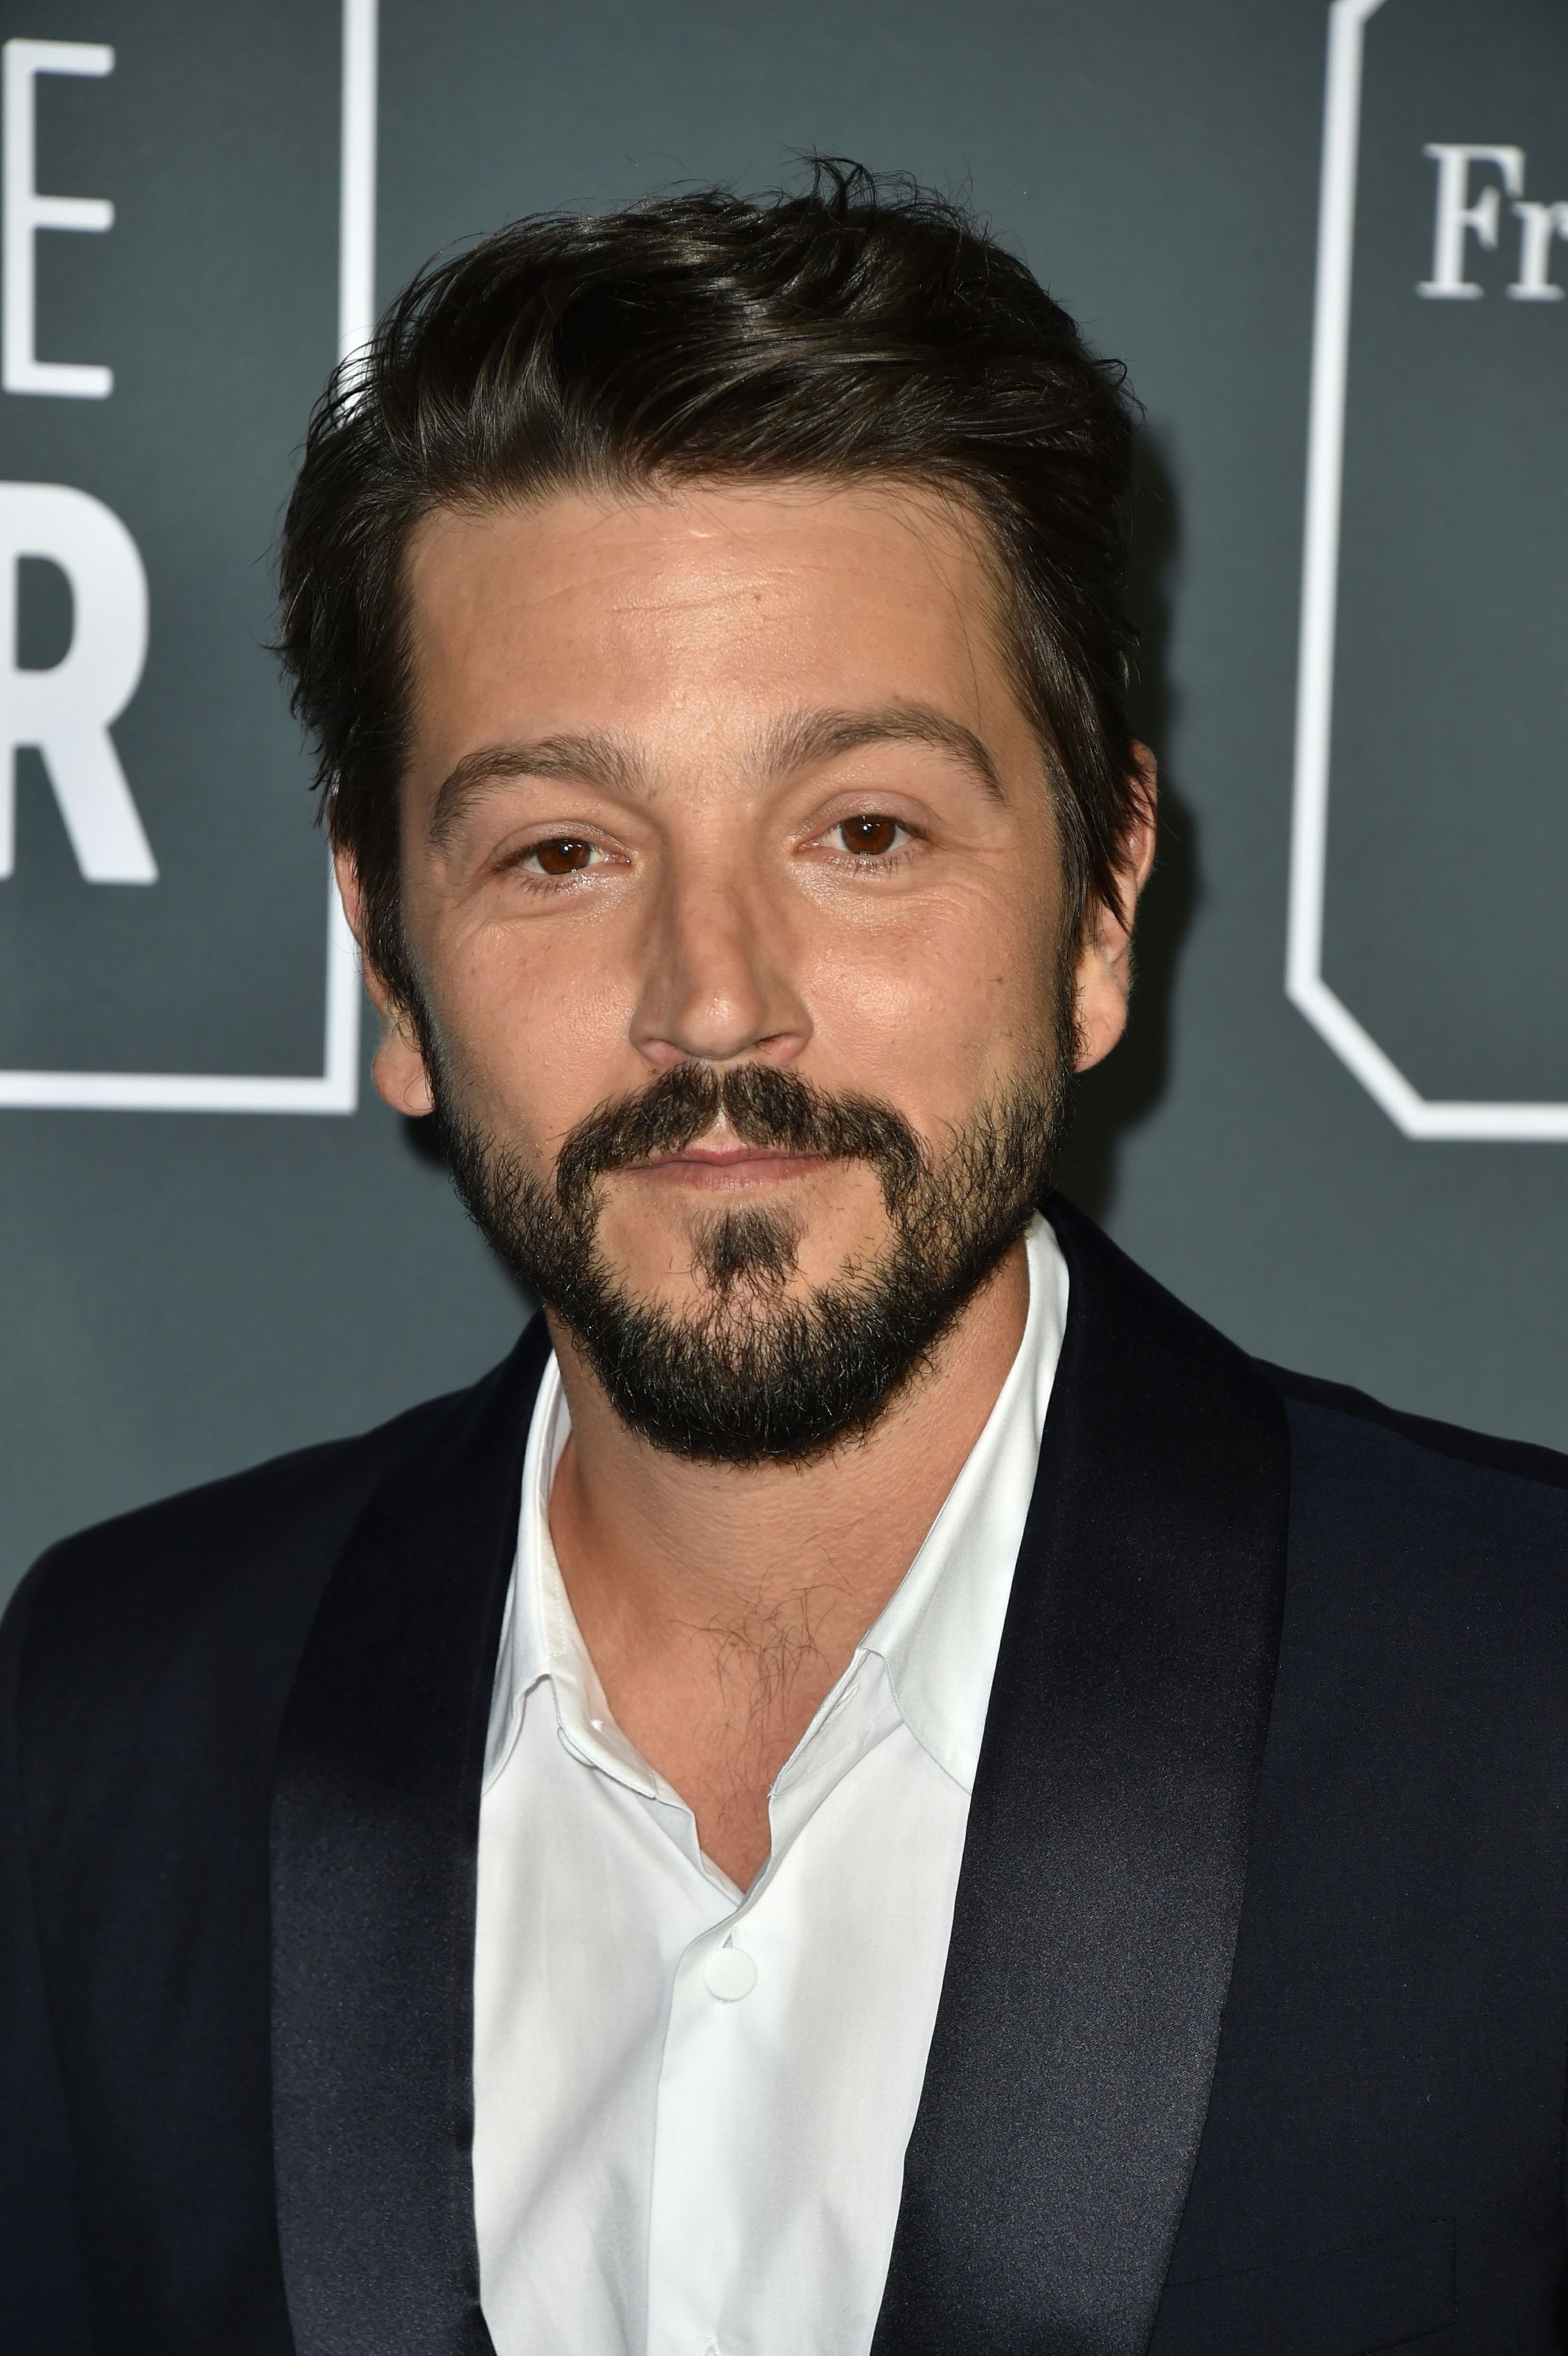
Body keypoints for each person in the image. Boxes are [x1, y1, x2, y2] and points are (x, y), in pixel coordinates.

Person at [3, 161, 1567, 2356]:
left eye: (865, 834)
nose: (716, 1002)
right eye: (563, 850)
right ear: (387, 954)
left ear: (1104, 906)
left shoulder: (1526, 1705)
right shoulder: (112, 1727)